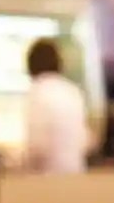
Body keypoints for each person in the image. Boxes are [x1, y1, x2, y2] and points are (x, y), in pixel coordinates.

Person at [23, 39, 89, 173]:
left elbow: (37, 145)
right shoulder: (73, 91)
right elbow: (85, 139)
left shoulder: (38, 92)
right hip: (76, 172)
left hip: (47, 177)